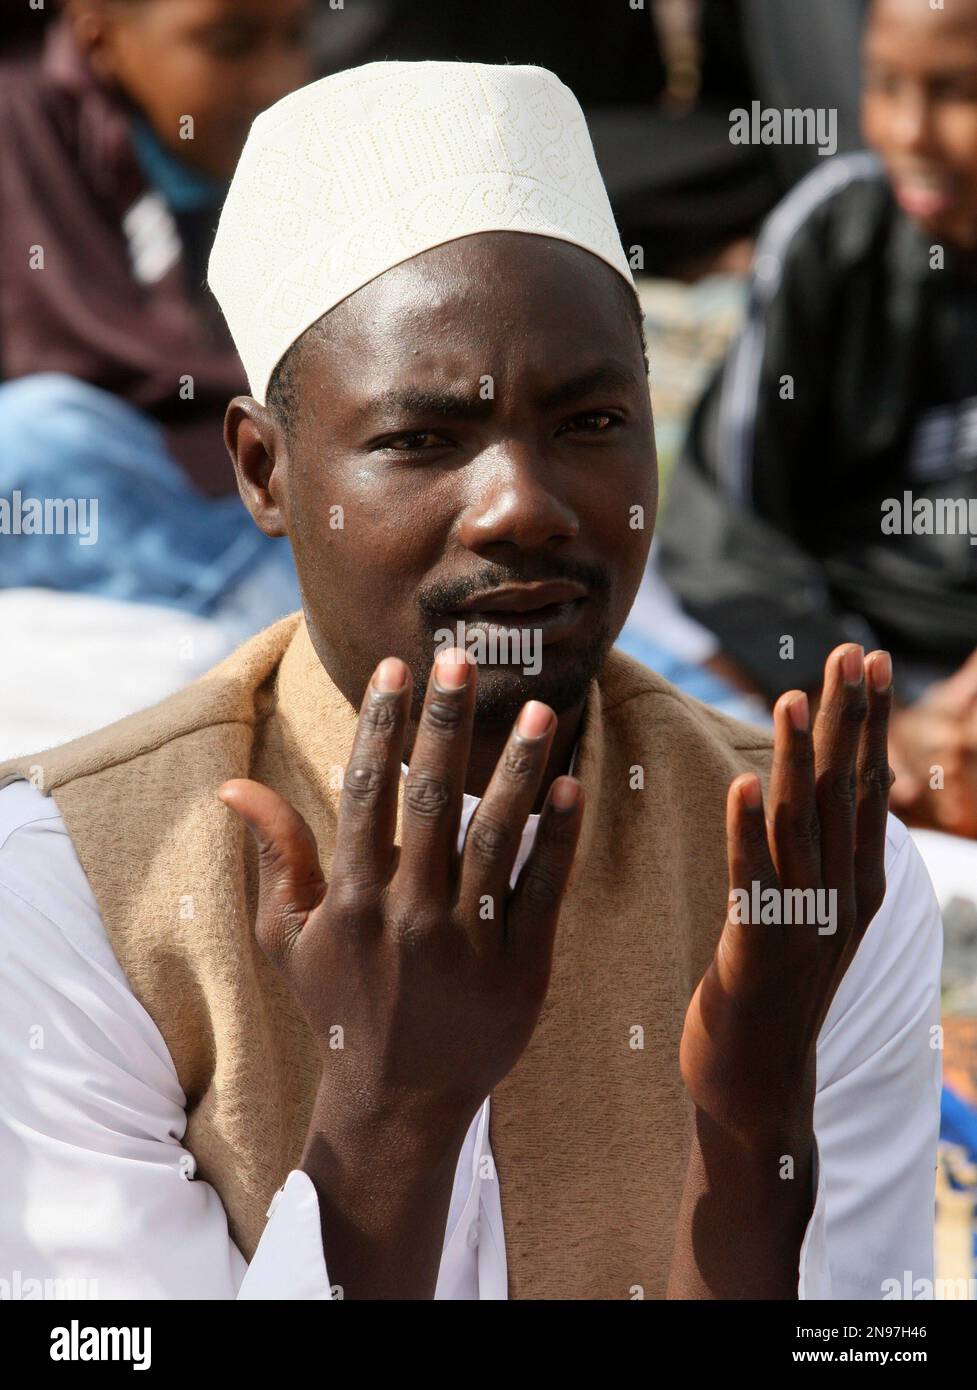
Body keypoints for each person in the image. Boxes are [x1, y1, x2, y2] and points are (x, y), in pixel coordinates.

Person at [0, 61, 941, 1300]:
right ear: (264, 472)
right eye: (421, 440)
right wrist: (390, 1104)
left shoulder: (803, 864)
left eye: (592, 422)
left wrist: (752, 1120)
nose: (521, 506)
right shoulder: (81, 887)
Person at [658, 0, 977, 839]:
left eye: (957, 92)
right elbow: (719, 536)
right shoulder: (835, 235)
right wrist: (874, 714)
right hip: (842, 660)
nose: (909, 130)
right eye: (882, 84)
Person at [0, 0, 311, 619]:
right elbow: (82, 347)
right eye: (230, 41)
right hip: (132, 484)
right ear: (99, 33)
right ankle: (264, 607)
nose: (280, 80)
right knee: (32, 438)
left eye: (297, 36)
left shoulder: (291, 152)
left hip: (247, 489)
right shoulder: (20, 116)